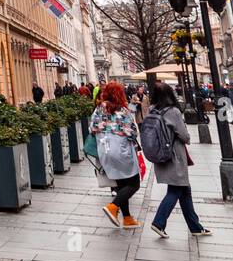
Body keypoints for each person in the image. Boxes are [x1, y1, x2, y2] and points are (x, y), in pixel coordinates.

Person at [145, 82, 210, 239]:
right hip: (174, 155)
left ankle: (195, 227)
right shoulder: (172, 111)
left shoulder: (151, 110)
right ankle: (158, 222)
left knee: (184, 189)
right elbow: (184, 135)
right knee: (175, 190)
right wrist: (187, 136)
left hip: (161, 154)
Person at [90, 81, 142, 229]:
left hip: (104, 150)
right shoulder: (123, 110)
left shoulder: (99, 108)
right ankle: (113, 207)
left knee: (121, 184)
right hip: (121, 150)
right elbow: (132, 131)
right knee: (134, 183)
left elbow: (92, 127)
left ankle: (127, 218)